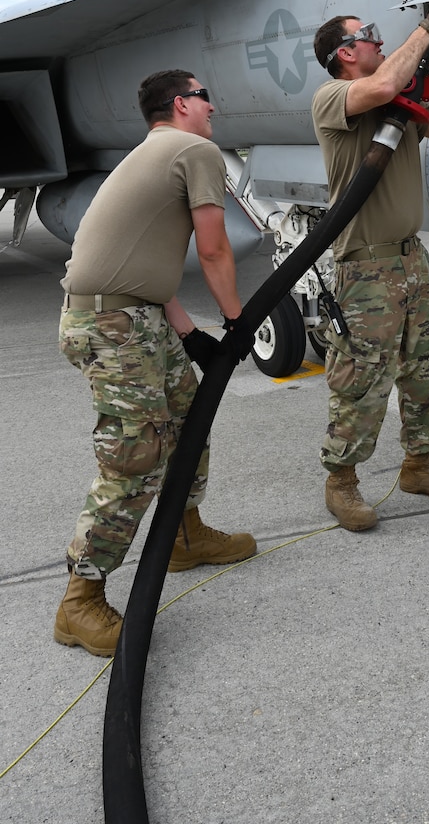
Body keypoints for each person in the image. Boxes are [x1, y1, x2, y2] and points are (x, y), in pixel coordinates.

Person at [54, 70, 257, 657]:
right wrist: (238, 321)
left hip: (138, 316)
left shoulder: (152, 152)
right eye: (203, 95)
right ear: (180, 104)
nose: (212, 104)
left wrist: (192, 336)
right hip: (112, 324)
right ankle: (79, 602)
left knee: (190, 417)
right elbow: (213, 247)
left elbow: (140, 260)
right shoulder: (195, 149)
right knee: (134, 458)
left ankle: (183, 538)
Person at [311, 1, 429, 531]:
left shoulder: (400, 101)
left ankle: (420, 465)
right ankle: (342, 482)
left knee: (425, 371)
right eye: (369, 35)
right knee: (361, 381)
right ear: (344, 53)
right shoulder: (334, 98)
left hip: (411, 259)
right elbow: (379, 89)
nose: (379, 41)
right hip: (366, 269)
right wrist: (426, 29)